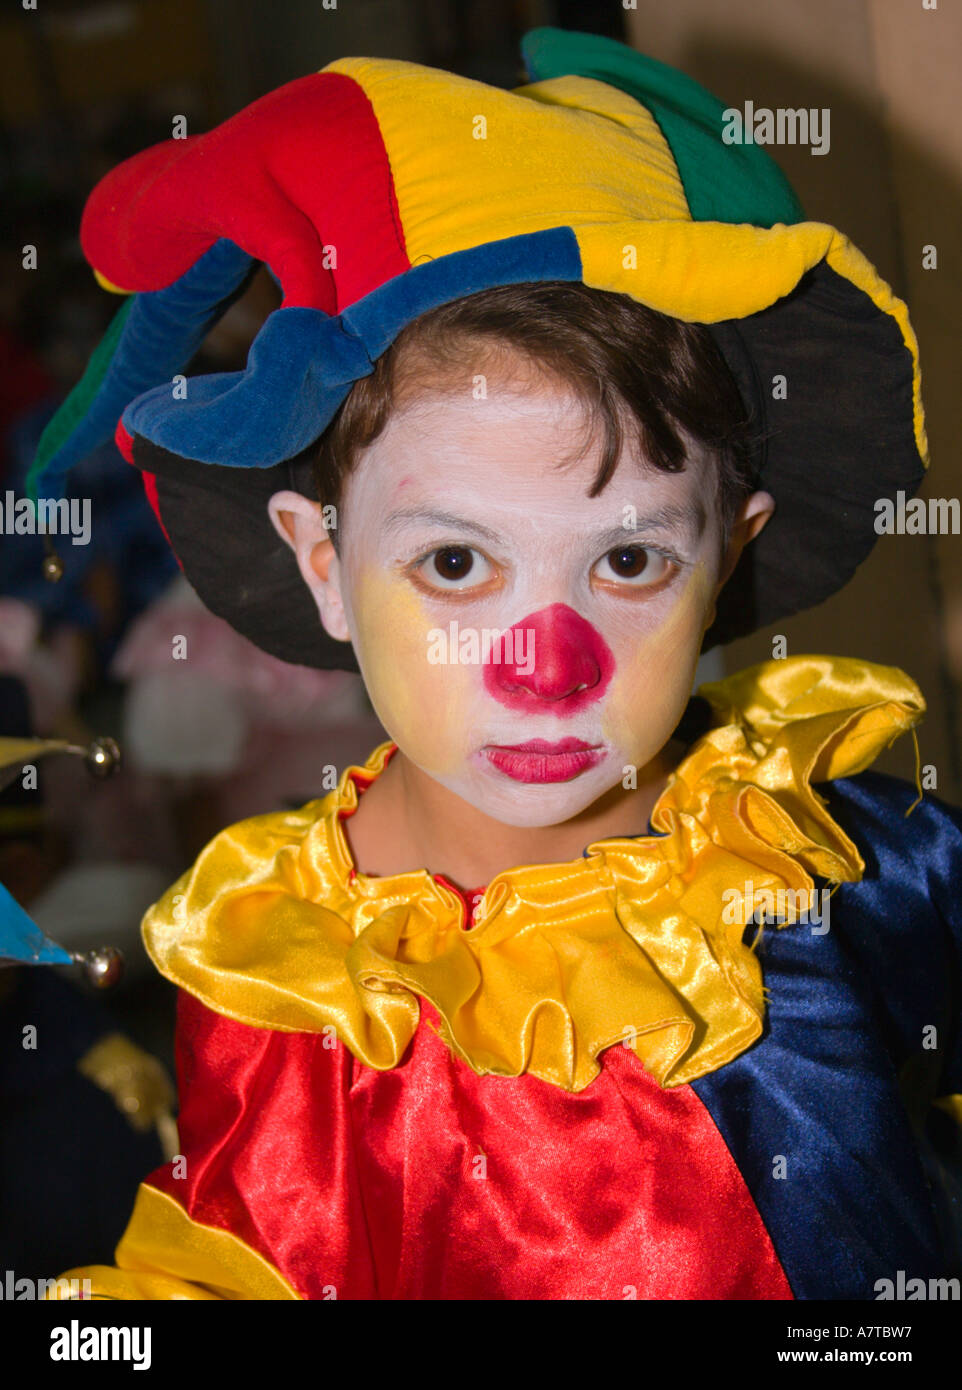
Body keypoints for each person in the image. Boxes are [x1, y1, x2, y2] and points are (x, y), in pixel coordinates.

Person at [38, 27, 961, 1299]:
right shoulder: (282, 981)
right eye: (457, 565)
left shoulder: (860, 869)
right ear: (321, 564)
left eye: (628, 563)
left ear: (727, 561)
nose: (548, 666)